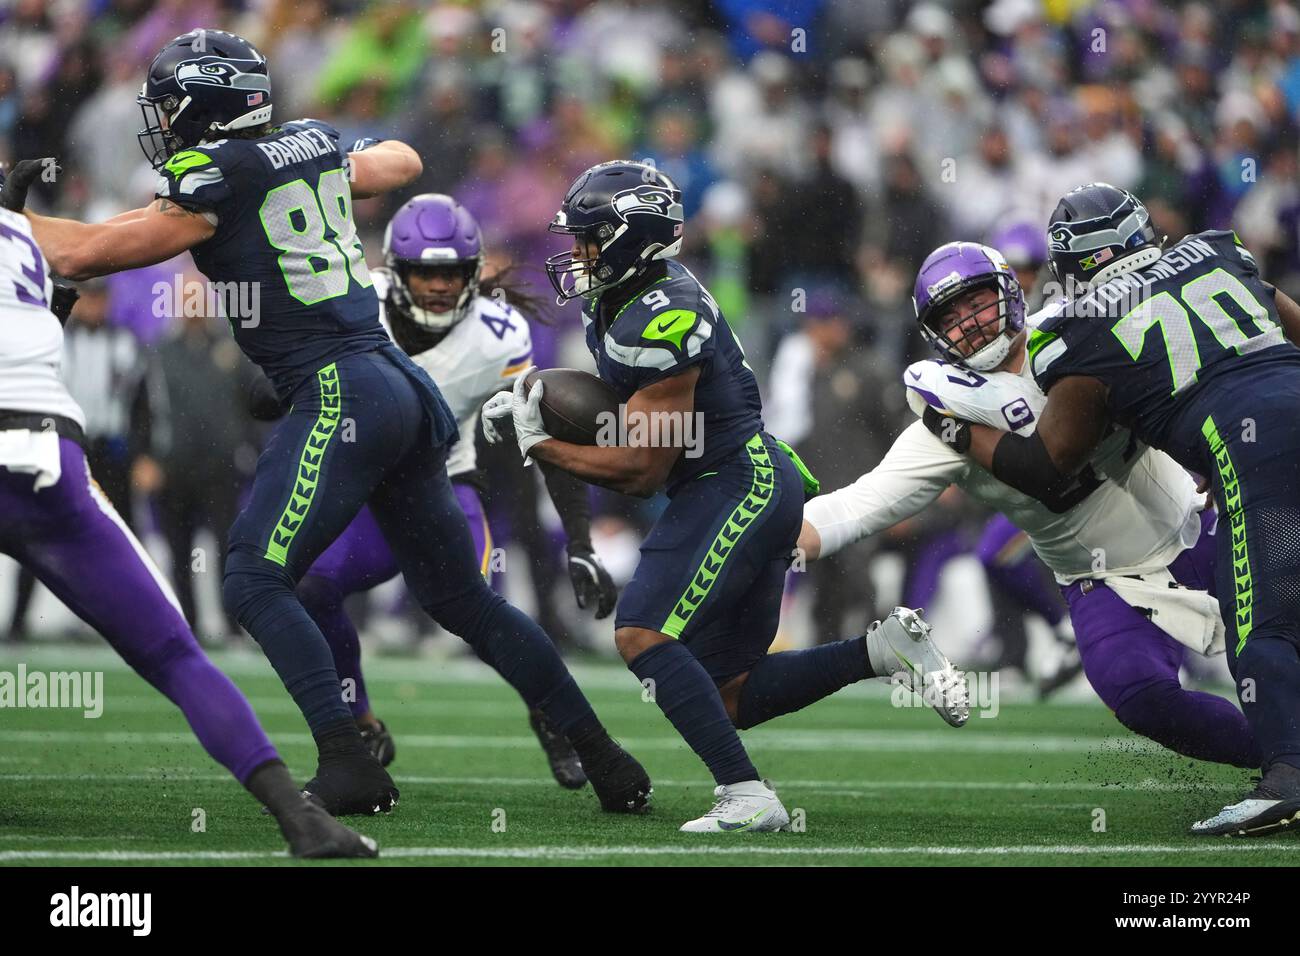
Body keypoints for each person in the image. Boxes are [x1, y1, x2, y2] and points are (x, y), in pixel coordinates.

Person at [17, 29, 649, 818]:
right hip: (401, 389)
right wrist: (311, 160)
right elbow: (402, 164)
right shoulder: (303, 146)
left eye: (169, 106)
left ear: (200, 107)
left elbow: (98, 251)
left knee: (250, 576)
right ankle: (609, 759)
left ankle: (348, 760)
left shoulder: (216, 172)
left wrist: (16, 227)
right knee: (464, 601)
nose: (163, 121)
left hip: (340, 389)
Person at [486, 160, 967, 833]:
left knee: (641, 633)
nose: (579, 253)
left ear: (630, 239)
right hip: (736, 480)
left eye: (591, 239)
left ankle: (748, 795)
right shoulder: (631, 295)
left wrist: (540, 444)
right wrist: (536, 393)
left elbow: (644, 469)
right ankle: (882, 652)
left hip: (734, 484)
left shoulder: (659, 319)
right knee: (729, 691)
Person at [917, 185, 1300, 835]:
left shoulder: (1080, 331)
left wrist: (955, 430)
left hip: (1250, 452)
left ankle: (1289, 776)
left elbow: (1047, 464)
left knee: (1259, 623)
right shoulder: (1215, 253)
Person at [0, 197, 374, 858]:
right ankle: (300, 819)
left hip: (50, 442)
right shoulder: (26, 239)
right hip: (46, 455)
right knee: (174, 654)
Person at [801, 240, 1259, 769]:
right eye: (949, 316)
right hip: (1106, 583)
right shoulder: (944, 421)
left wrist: (1211, 445)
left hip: (1197, 523)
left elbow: (1196, 367)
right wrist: (769, 536)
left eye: (974, 302)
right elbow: (855, 507)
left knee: (1280, 635)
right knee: (1138, 697)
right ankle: (1278, 763)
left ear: (1010, 294)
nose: (968, 323)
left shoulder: (1080, 332)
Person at [297, 192, 617, 788]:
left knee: (475, 614)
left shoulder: (499, 335)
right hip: (364, 490)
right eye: (425, 271)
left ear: (471, 274)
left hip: (444, 487)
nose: (439, 286)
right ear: (397, 269)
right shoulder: (356, 302)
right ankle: (360, 722)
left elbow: (541, 437)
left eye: (450, 272)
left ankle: (552, 714)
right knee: (312, 586)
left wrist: (580, 540)